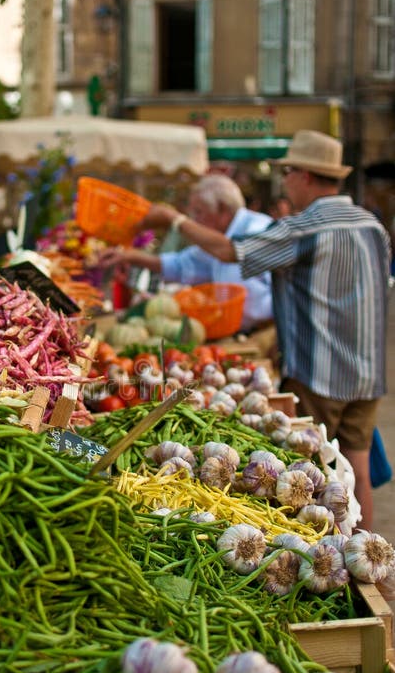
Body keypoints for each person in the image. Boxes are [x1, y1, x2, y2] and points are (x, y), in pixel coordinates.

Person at [125, 130, 391, 529]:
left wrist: (176, 219)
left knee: (315, 475)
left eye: (287, 172)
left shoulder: (306, 227)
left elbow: (232, 252)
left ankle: (337, 559)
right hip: (368, 371)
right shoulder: (372, 226)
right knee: (357, 468)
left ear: (304, 176)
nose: (284, 181)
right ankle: (369, 559)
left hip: (319, 371)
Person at [100, 174, 274, 335]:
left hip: (264, 333)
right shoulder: (215, 241)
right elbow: (180, 265)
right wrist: (127, 256)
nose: (195, 220)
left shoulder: (257, 228)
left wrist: (175, 219)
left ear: (222, 210)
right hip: (236, 332)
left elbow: (229, 252)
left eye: (199, 212)